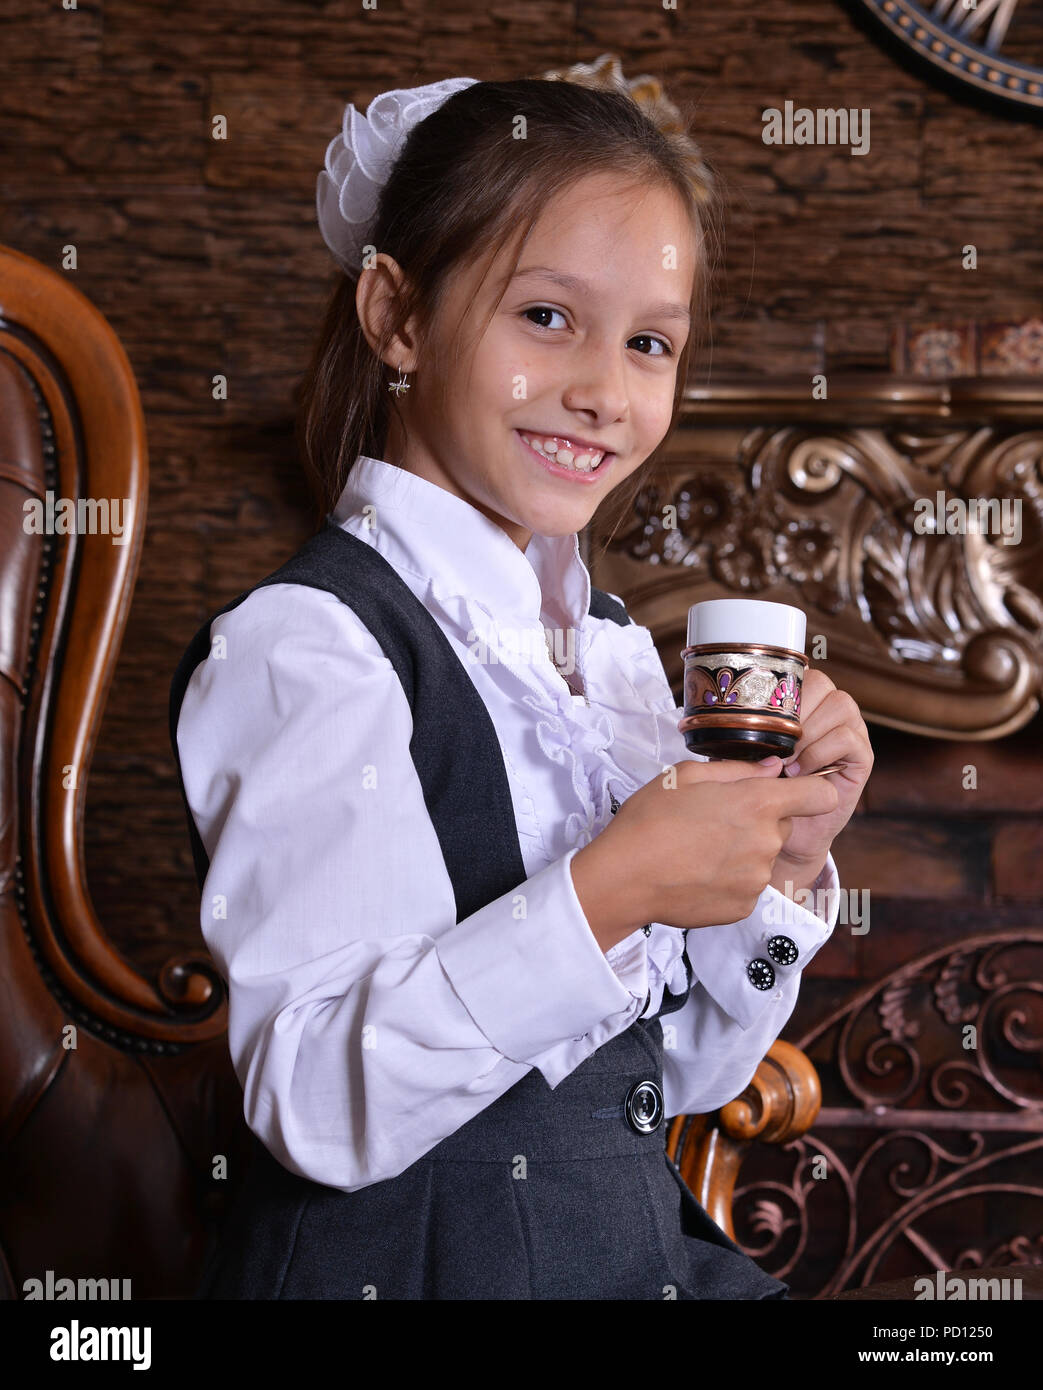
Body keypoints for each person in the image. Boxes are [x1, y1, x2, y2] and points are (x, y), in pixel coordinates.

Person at [170, 55, 873, 1300]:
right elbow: (312, 1100)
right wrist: (604, 893)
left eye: (649, 342)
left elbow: (676, 1081)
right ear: (396, 315)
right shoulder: (311, 645)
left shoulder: (599, 658)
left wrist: (785, 863)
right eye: (545, 316)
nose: (603, 391)